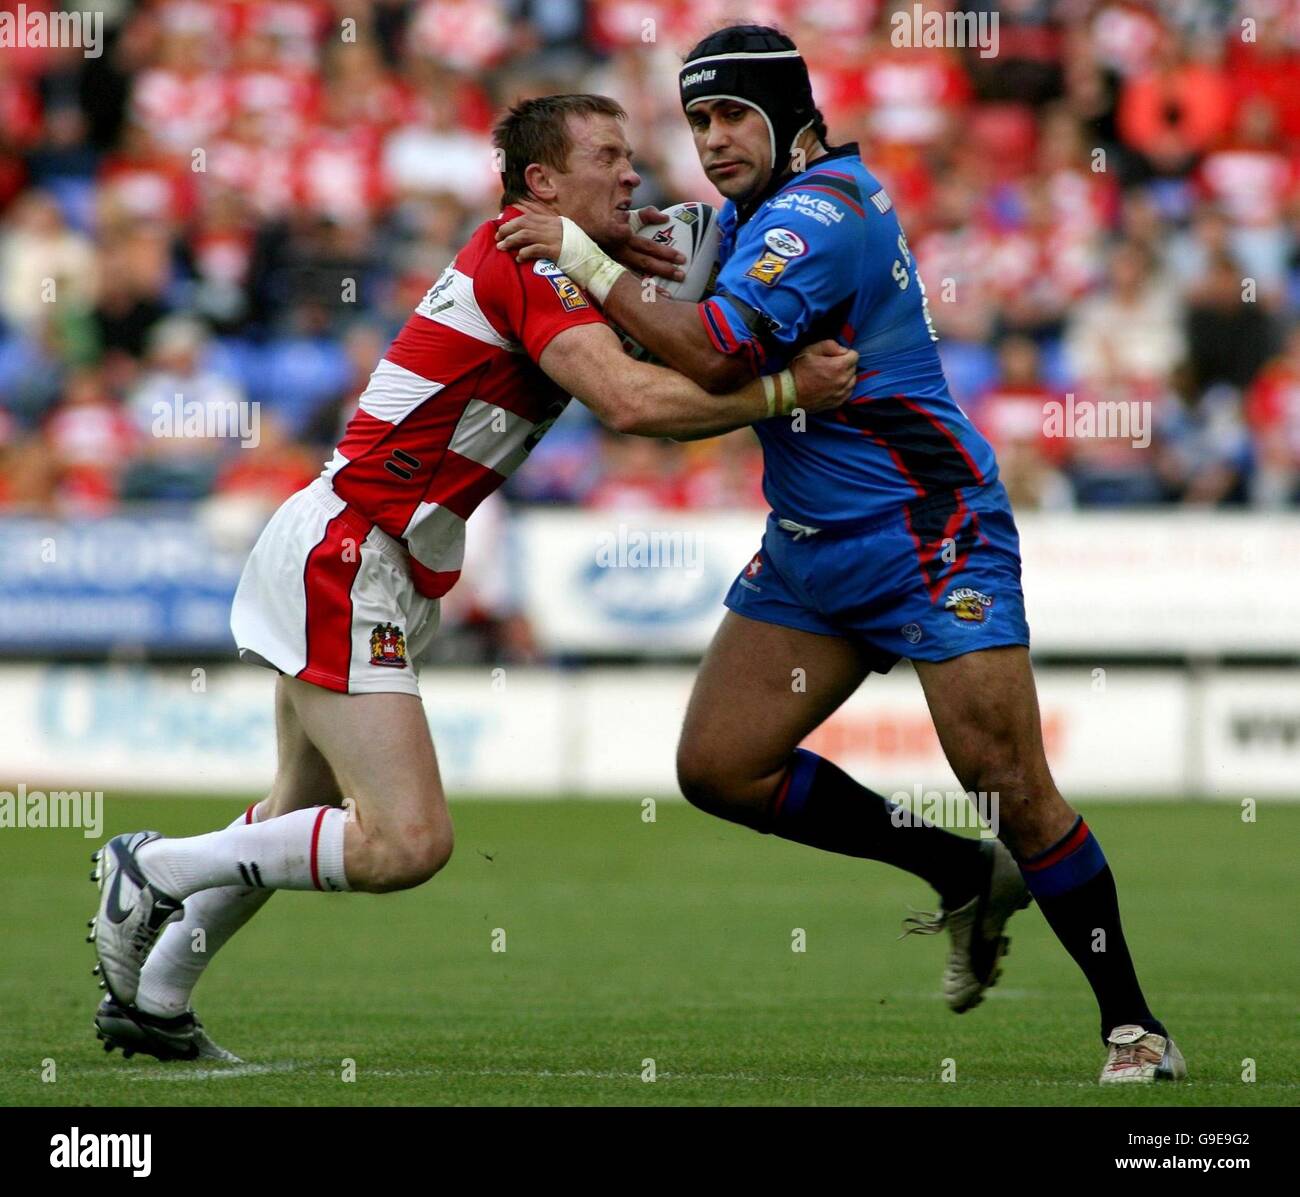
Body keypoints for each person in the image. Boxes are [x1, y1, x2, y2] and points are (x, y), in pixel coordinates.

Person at [87, 92, 857, 1062]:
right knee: (406, 843)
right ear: (541, 184)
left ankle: (154, 1004)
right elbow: (630, 400)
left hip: (374, 552)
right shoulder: (523, 256)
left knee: (295, 815)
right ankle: (151, 864)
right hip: (348, 552)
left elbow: (677, 357)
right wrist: (786, 391)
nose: (633, 173)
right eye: (607, 157)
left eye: (631, 157)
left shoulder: (570, 265)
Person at [496, 26, 1184, 1084]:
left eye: (732, 115)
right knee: (719, 767)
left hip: (929, 535)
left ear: (791, 115)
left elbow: (719, 350)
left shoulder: (823, 211)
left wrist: (583, 259)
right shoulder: (753, 212)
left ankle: (1133, 1026)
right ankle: (959, 871)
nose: (713, 140)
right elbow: (698, 335)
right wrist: (629, 265)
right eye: (697, 122)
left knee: (1007, 781)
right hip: (811, 550)